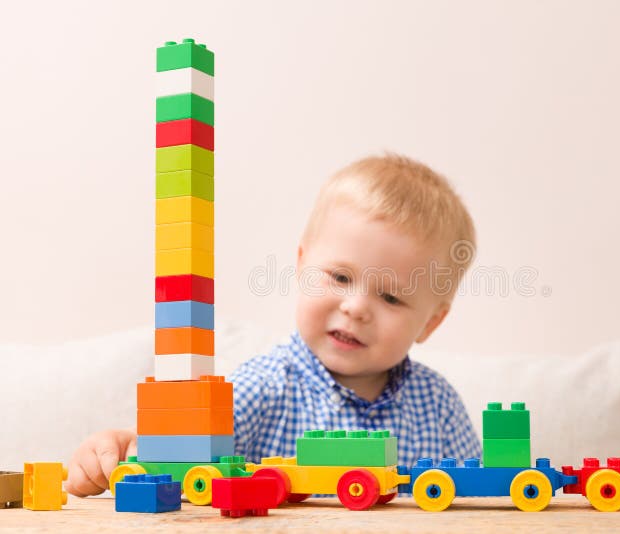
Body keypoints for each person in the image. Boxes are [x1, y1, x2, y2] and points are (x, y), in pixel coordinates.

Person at [66, 154, 481, 497]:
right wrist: (131, 450)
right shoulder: (262, 387)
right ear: (302, 266)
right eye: (339, 277)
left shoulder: (440, 408)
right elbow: (185, 460)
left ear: (431, 322)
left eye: (390, 297)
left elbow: (480, 506)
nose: (356, 308)